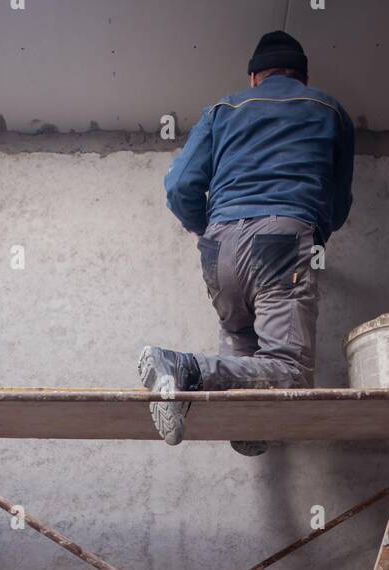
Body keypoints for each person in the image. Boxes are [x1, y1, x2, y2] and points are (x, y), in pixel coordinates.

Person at [139, 29, 354, 454]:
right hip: (281, 239)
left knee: (241, 342)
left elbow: (180, 185)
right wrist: (313, 234)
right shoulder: (329, 110)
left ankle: (247, 427)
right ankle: (182, 370)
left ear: (254, 77)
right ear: (302, 79)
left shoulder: (222, 109)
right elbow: (338, 202)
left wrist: (208, 229)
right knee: (289, 371)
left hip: (220, 248)